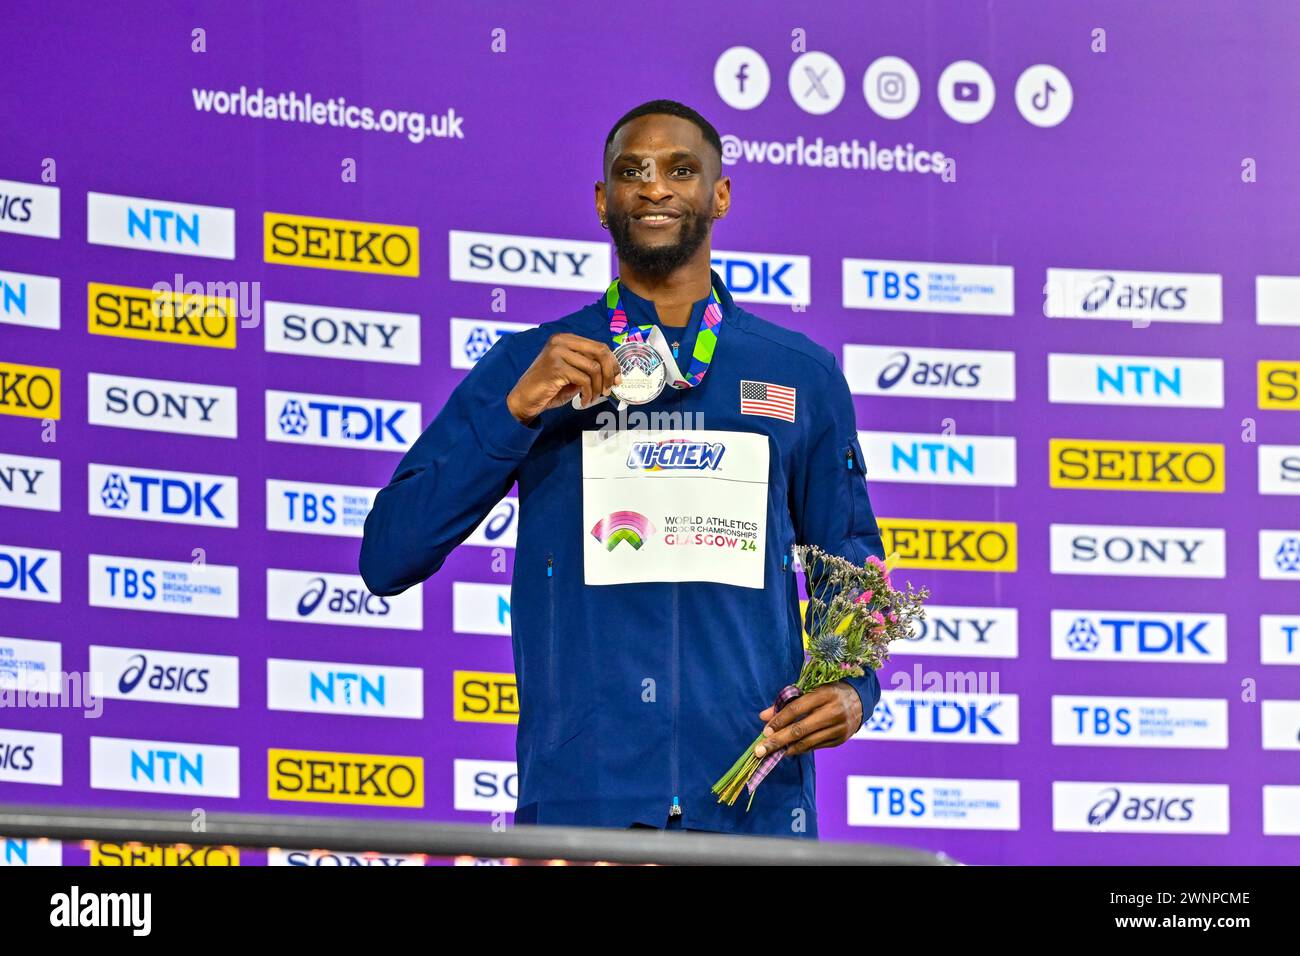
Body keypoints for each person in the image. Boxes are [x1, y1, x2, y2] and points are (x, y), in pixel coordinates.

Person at [360, 99, 886, 839]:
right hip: (585, 804)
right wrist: (512, 415)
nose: (655, 188)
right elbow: (387, 555)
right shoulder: (533, 365)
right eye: (631, 172)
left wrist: (853, 687)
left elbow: (849, 563)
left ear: (721, 195)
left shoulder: (799, 374)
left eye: (680, 169)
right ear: (603, 202)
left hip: (753, 801)